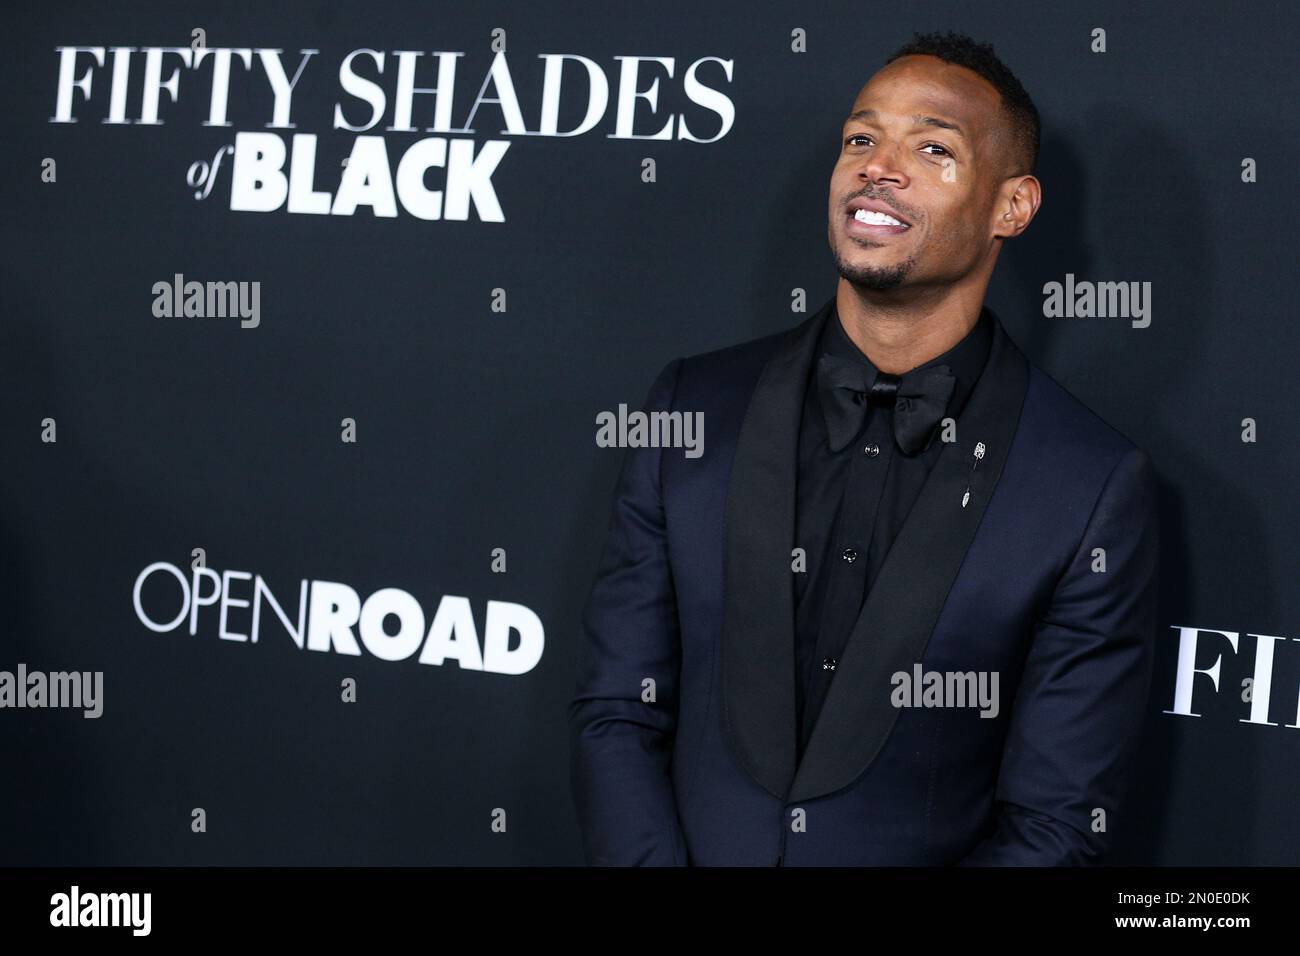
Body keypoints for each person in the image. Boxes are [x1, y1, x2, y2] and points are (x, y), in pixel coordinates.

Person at [568, 30, 1159, 866]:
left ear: (1013, 207)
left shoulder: (1089, 485)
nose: (878, 165)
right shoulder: (691, 413)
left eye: (931, 146)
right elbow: (617, 712)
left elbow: (1055, 829)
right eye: (860, 138)